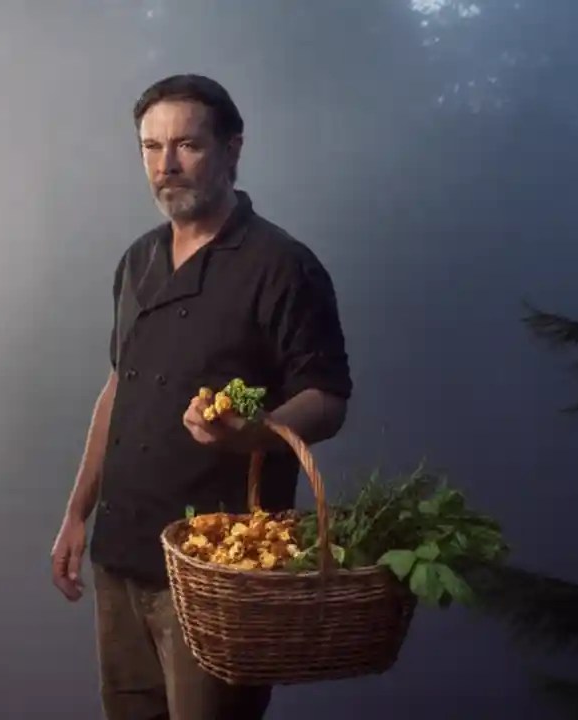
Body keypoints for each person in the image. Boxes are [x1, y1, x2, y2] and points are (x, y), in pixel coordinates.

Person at [50, 74, 353, 720]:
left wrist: (254, 433)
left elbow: (327, 398)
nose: (166, 165)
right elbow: (119, 386)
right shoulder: (138, 260)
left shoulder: (281, 265)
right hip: (121, 554)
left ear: (232, 149)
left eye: (187, 145)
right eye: (151, 147)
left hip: (218, 574)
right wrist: (78, 511)